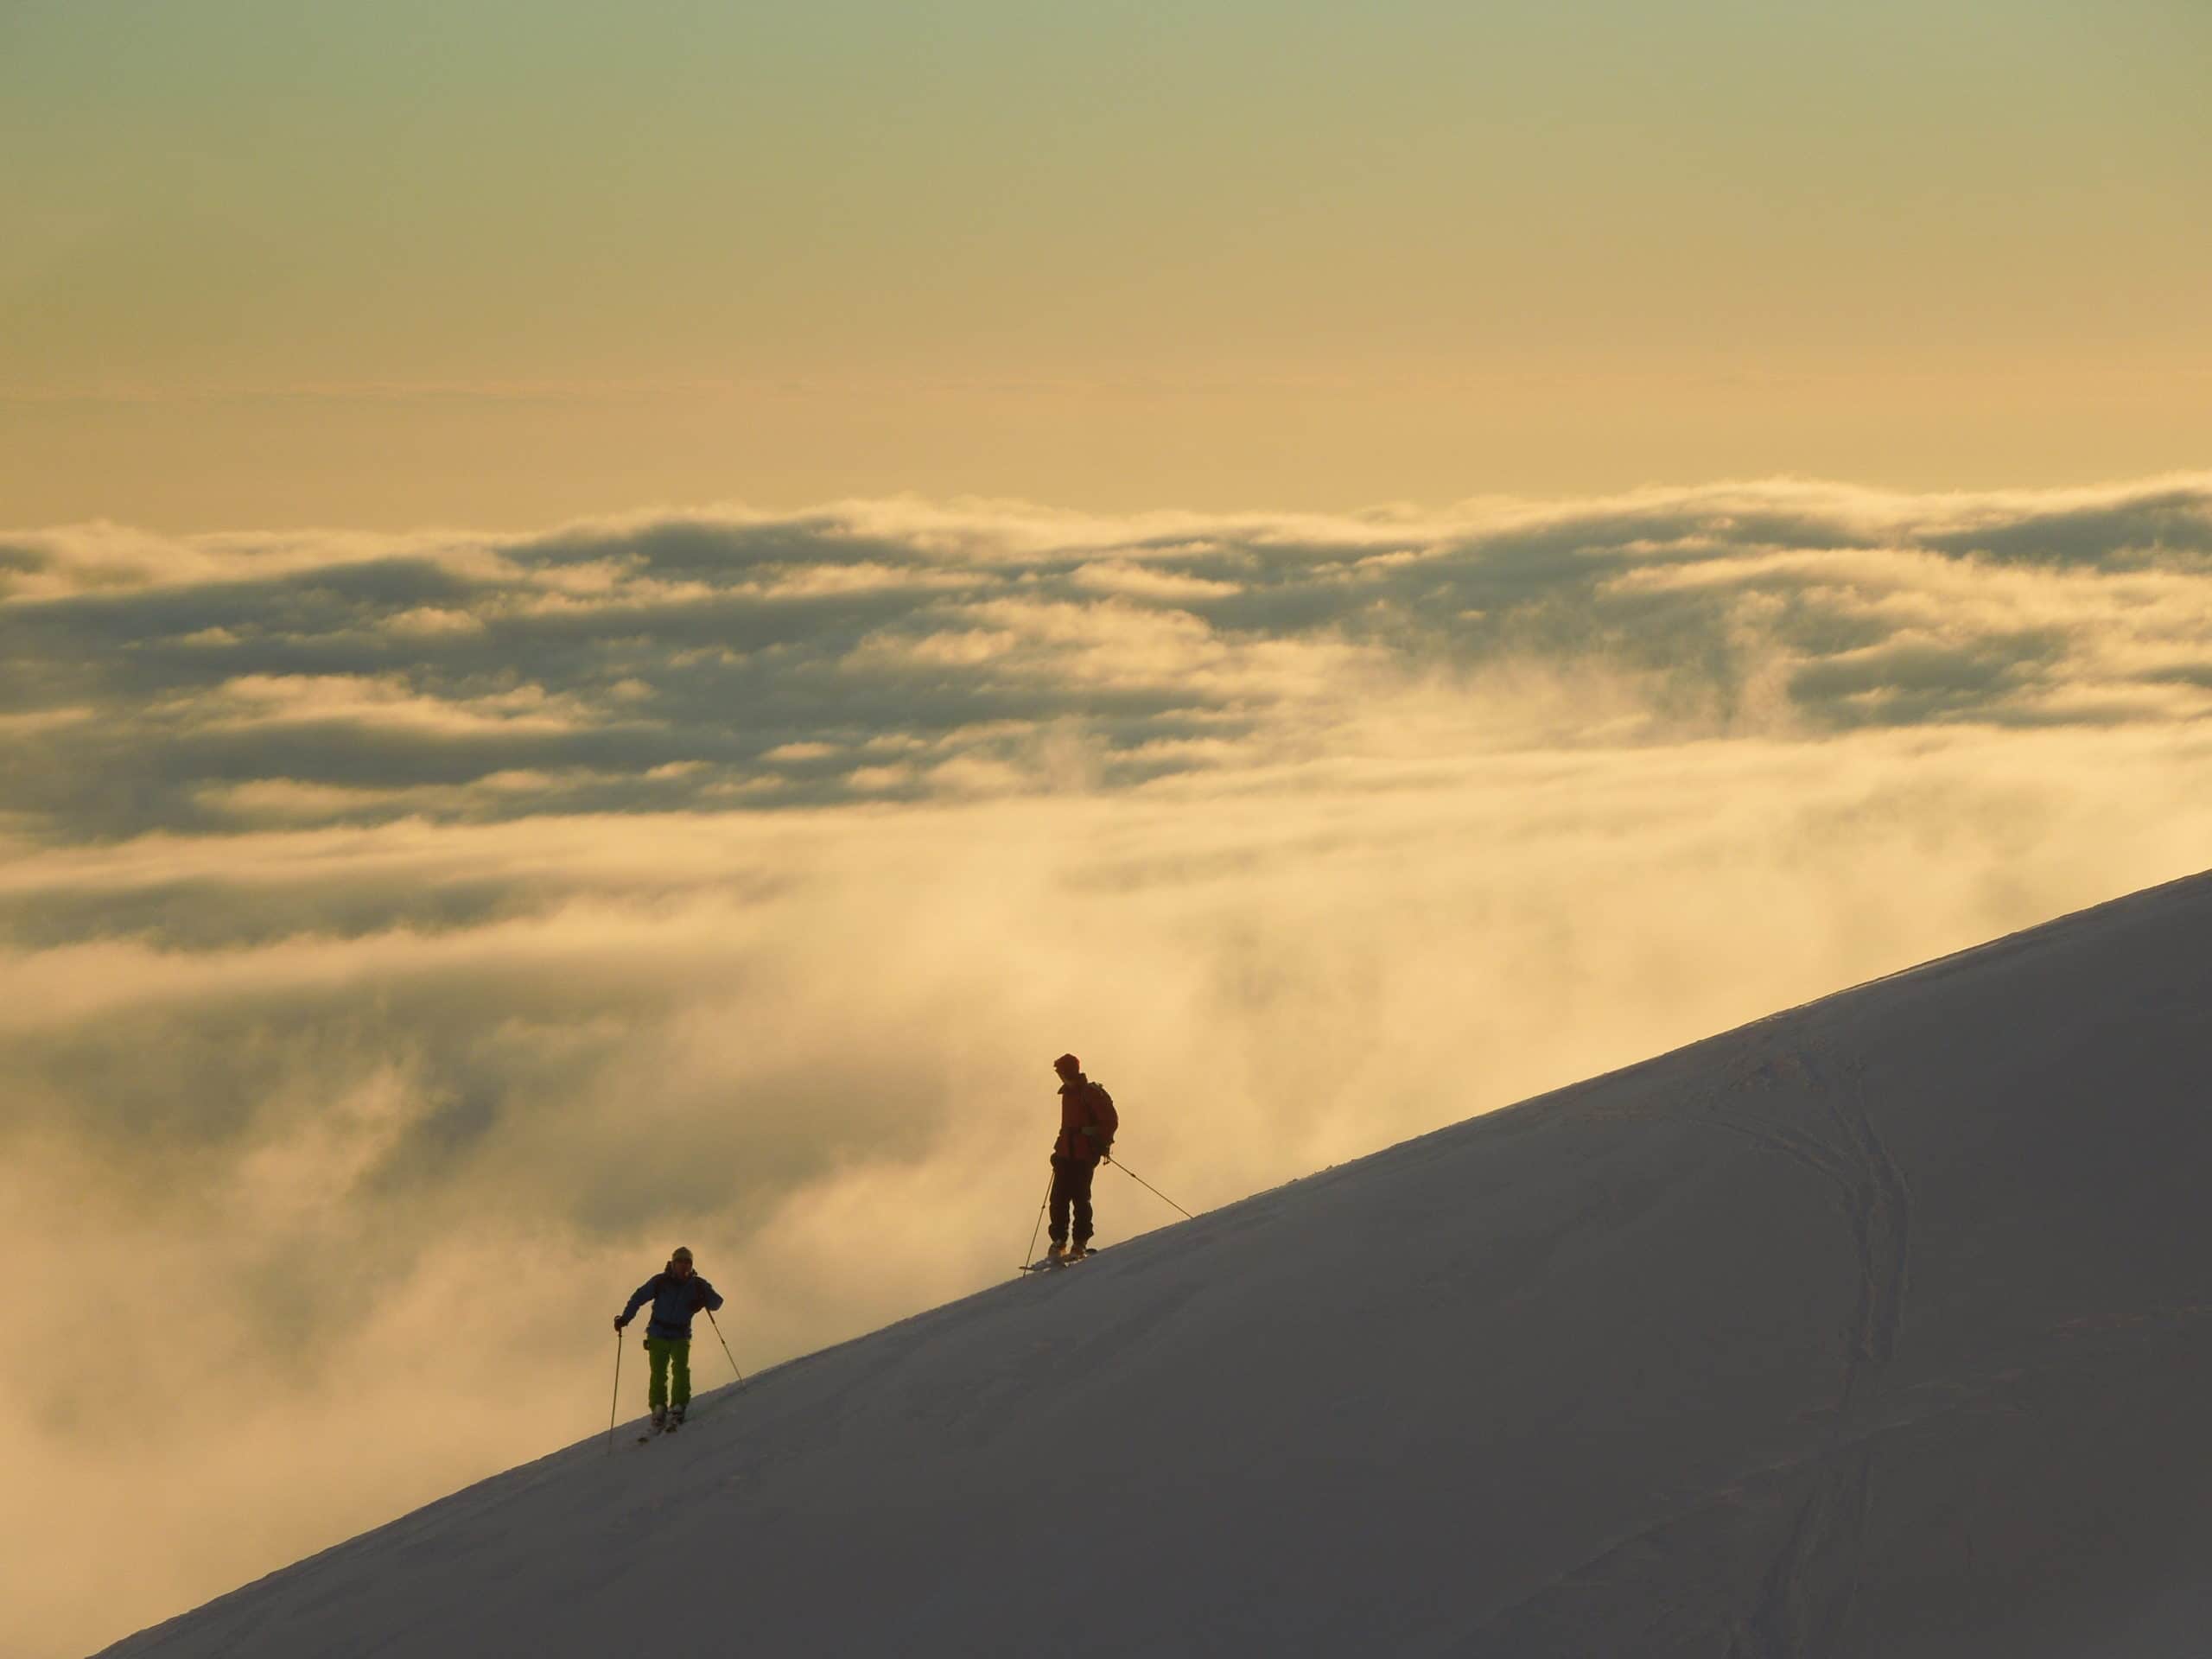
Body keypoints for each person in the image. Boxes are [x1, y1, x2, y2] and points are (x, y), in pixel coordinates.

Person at [613, 1246, 724, 1431]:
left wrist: (704, 1299)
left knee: (680, 1370)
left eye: (687, 1262)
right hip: (658, 1333)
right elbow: (639, 1297)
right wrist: (625, 1318)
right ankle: (659, 1407)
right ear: (673, 1263)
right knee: (659, 1372)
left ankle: (678, 1405)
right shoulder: (661, 1282)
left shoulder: (697, 1285)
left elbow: (717, 1303)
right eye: (680, 1261)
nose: (683, 1265)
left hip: (679, 1334)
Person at [1046, 1052, 1118, 1262]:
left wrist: (1095, 1138)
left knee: (1079, 1198)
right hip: (1066, 1153)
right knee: (1058, 1199)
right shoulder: (1069, 1094)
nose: (1059, 1075)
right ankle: (1059, 1241)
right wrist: (1059, 1152)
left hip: (1084, 1154)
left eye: (1060, 1071)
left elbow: (1110, 1121)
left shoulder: (1090, 1093)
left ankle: (1079, 1242)